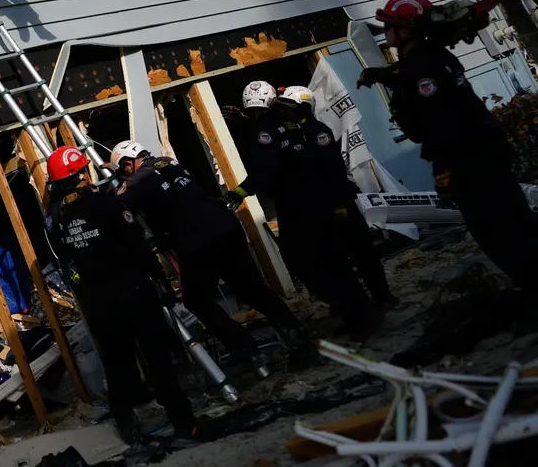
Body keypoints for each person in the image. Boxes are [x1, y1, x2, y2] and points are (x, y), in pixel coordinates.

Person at [358, 0, 538, 294]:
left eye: (388, 26)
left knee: (498, 233)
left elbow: (439, 123)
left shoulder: (420, 72)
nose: (384, 32)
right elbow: (420, 80)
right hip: (487, 154)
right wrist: (387, 77)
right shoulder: (433, 57)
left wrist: (443, 169)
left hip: (470, 164)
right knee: (518, 220)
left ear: (405, 31)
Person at [44, 146, 207, 443]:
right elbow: (136, 243)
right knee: (157, 356)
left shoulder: (54, 217)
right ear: (81, 173)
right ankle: (183, 422)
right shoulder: (105, 203)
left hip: (97, 301)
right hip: (132, 289)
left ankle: (127, 427)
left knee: (116, 363)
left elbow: (66, 260)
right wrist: (158, 278)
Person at [106, 140, 314, 367]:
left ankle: (244, 347)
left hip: (197, 241)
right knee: (253, 289)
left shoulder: (137, 180)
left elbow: (115, 210)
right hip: (225, 227)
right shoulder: (167, 162)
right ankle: (299, 340)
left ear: (127, 165)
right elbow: (174, 200)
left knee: (196, 301)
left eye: (123, 172)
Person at [223, 86, 376, 338]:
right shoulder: (291, 124)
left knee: (304, 263)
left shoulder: (264, 129)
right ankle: (360, 311)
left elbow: (268, 167)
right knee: (334, 258)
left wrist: (239, 192)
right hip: (319, 200)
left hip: (296, 206)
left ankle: (354, 313)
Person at [288, 89, 398, 307]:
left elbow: (333, 170)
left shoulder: (318, 132)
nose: (285, 113)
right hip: (322, 207)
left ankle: (383, 297)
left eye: (288, 108)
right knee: (339, 259)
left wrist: (339, 205)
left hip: (339, 203)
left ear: (301, 108)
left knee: (362, 252)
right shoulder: (297, 135)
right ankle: (360, 304)